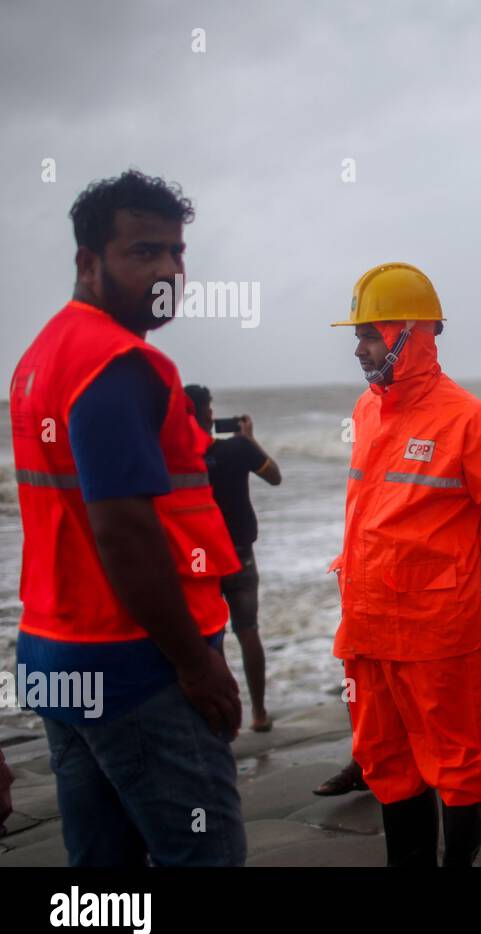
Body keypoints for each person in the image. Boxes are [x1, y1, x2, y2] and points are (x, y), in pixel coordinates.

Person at [9, 170, 245, 865]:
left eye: (177, 253)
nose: (170, 269)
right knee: (203, 856)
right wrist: (195, 664)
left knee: (103, 876)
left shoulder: (40, 355)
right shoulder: (118, 363)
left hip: (57, 652)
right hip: (136, 667)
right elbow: (125, 532)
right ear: (88, 262)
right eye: (145, 252)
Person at [330, 262, 481, 866]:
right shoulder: (367, 412)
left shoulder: (469, 419)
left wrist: (454, 570)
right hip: (366, 627)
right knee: (385, 759)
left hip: (437, 631)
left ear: (409, 336)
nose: (360, 349)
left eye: (371, 334)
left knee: (456, 762)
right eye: (358, 336)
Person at [184, 386, 282, 731]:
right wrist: (250, 440)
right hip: (240, 553)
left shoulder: (180, 456)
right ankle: (258, 713)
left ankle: (224, 718)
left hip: (200, 557)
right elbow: (275, 477)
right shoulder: (238, 448)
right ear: (208, 414)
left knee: (214, 634)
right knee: (248, 629)